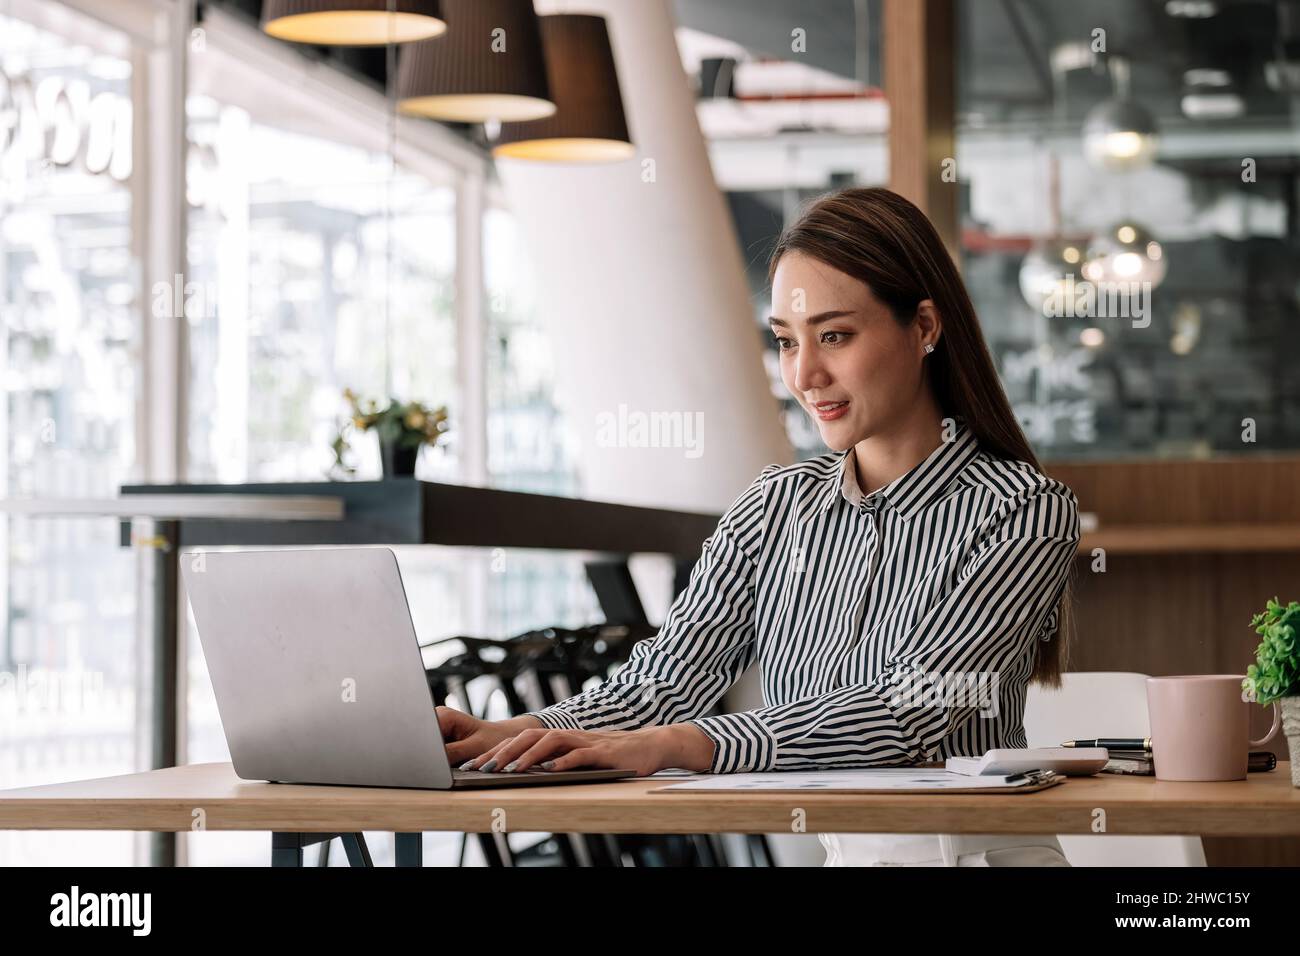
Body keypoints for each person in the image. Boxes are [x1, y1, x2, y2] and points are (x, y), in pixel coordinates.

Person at [436, 186, 1081, 867]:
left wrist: (682, 743)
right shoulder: (774, 507)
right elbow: (662, 682)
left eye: (835, 335)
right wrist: (510, 733)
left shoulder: (1022, 508)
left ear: (924, 326)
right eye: (784, 341)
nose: (804, 374)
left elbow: (913, 707)